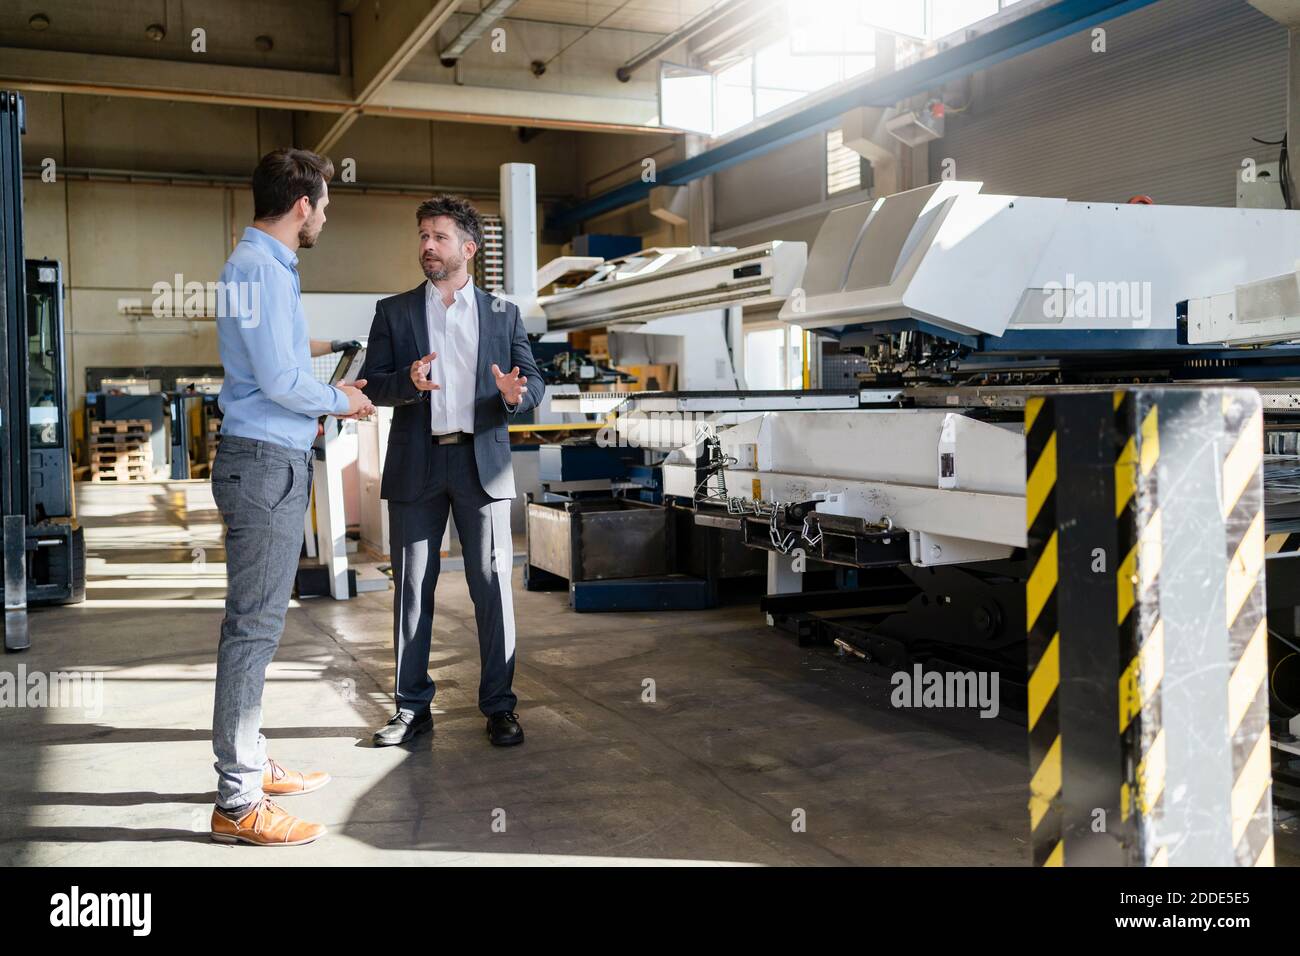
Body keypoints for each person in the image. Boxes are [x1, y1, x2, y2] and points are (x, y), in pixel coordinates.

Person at [209, 147, 374, 847]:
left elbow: (272, 353)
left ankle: (251, 761)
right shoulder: (262, 270)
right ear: (302, 204)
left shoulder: (254, 263)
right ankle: (238, 801)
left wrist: (330, 350)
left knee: (255, 627)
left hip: (258, 461)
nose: (325, 218)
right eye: (324, 206)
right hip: (265, 465)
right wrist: (343, 400)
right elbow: (279, 381)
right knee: (253, 631)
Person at [360, 195, 543, 748]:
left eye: (439, 237)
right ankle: (411, 707)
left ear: (469, 248)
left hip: (480, 463)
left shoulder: (503, 313)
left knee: (492, 586)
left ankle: (500, 706)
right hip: (416, 462)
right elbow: (372, 384)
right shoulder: (393, 312)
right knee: (412, 588)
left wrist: (514, 394)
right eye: (423, 236)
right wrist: (406, 383)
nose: (428, 246)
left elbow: (532, 382)